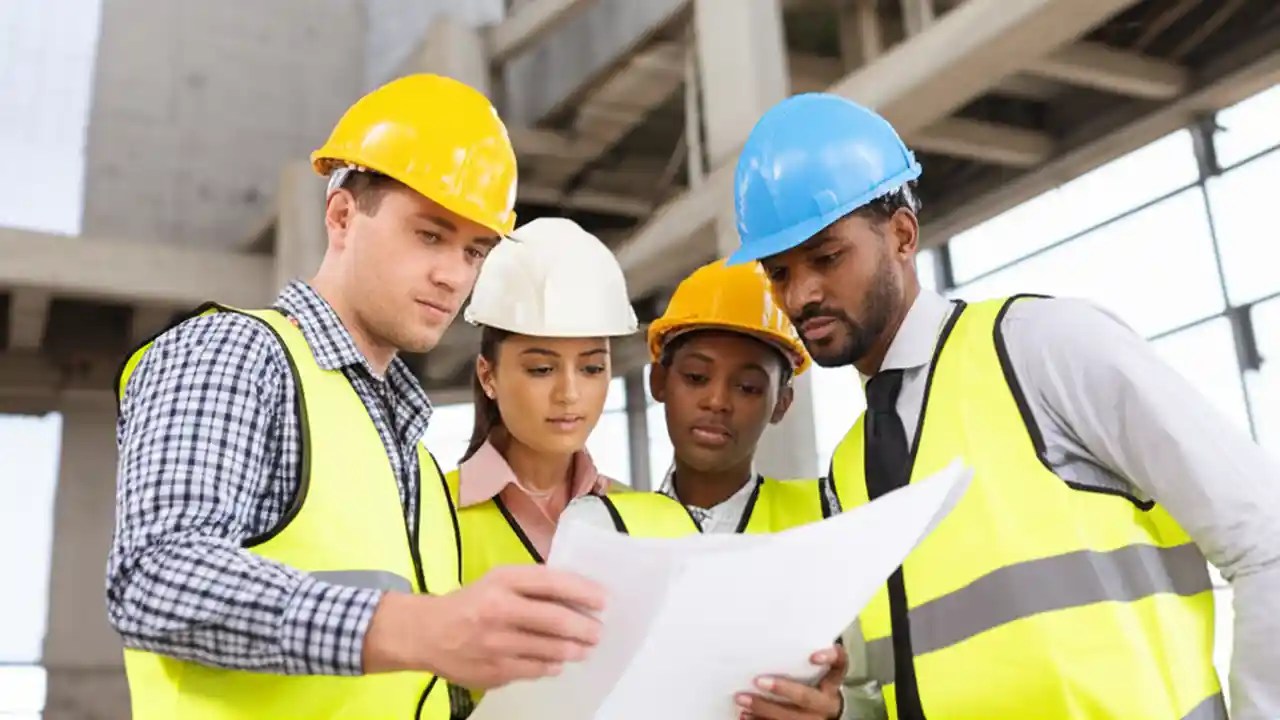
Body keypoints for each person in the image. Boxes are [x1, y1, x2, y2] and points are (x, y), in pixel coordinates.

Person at [725, 91, 1280, 720]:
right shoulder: (849, 470)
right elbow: (893, 690)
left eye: (826, 257)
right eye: (779, 273)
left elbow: (1266, 540)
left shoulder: (1042, 349)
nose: (801, 295)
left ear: (902, 235)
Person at [108, 74, 607, 720]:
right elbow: (155, 577)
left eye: (474, 250)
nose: (453, 274)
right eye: (429, 235)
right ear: (343, 216)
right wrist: (419, 628)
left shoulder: (419, 465)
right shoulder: (235, 354)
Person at [561, 258, 851, 720]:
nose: (717, 401)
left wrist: (839, 710)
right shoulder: (598, 528)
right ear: (659, 381)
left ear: (782, 403)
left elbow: (877, 687)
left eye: (750, 387)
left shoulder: (827, 520)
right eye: (696, 377)